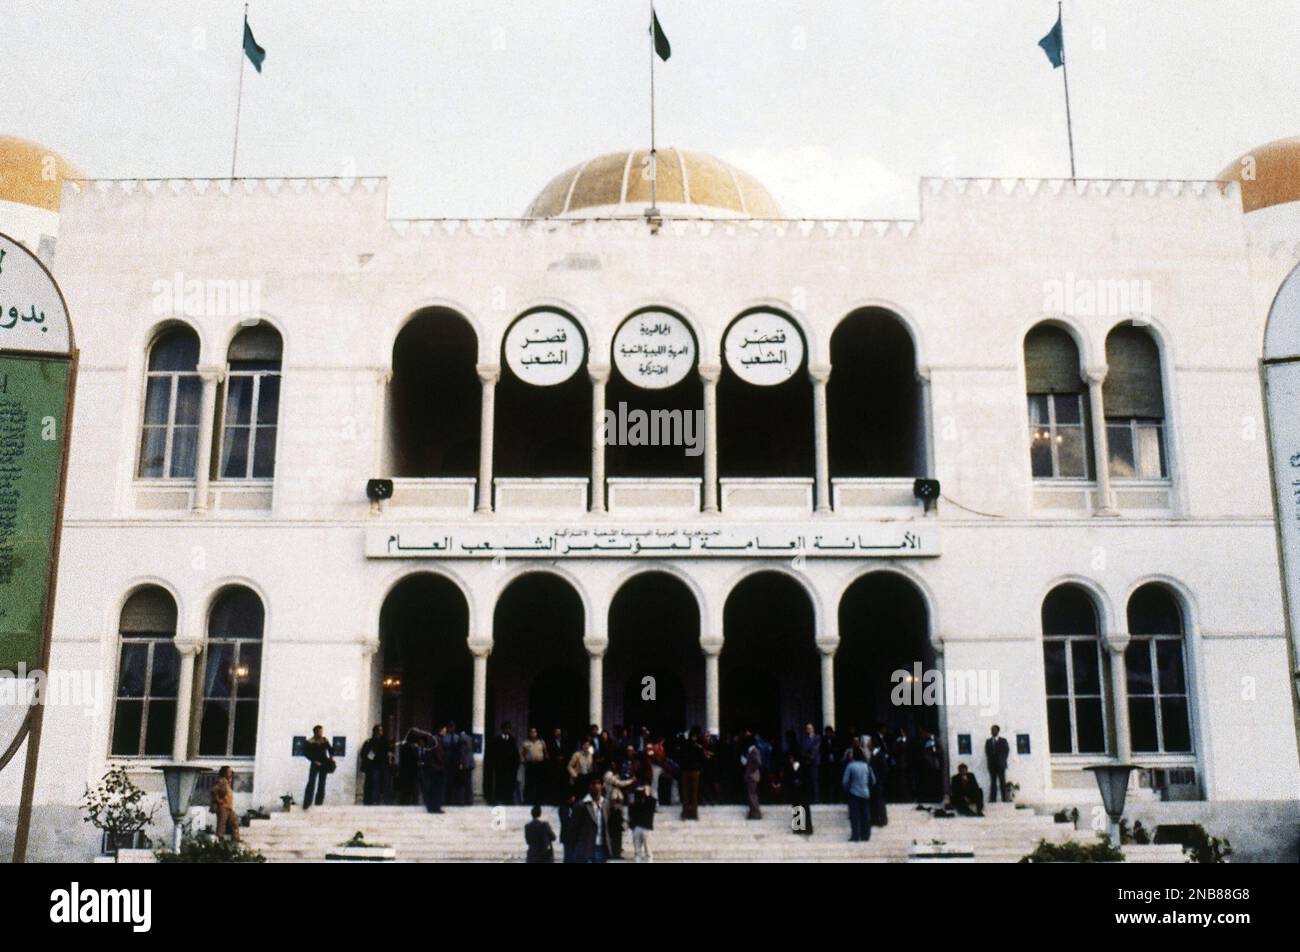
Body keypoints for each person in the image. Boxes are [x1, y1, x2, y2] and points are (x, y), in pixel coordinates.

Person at [572, 777, 612, 864]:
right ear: (590, 788)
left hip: (601, 847)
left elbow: (607, 825)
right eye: (593, 785)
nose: (596, 789)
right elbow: (574, 828)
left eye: (598, 786)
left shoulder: (605, 804)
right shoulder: (581, 805)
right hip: (585, 848)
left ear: (601, 787)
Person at [841, 748, 873, 842]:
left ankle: (855, 836)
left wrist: (848, 790)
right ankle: (866, 835)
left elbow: (845, 781)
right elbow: (873, 780)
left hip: (854, 793)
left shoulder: (851, 766)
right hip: (865, 793)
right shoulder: (867, 766)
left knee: (855, 816)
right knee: (865, 815)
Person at [486, 721, 520, 805]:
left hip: (509, 768)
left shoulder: (512, 739)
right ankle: (498, 800)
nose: (507, 730)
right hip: (500, 767)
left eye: (508, 728)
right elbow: (493, 753)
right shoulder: (497, 739)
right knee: (499, 784)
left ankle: (508, 800)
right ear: (502, 729)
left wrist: (515, 766)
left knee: (509, 784)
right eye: (505, 728)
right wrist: (494, 764)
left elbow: (516, 754)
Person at [302, 725, 334, 810]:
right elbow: (306, 752)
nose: (321, 733)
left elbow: (330, 749)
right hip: (315, 763)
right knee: (311, 782)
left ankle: (319, 802)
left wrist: (331, 757)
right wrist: (313, 760)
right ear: (315, 732)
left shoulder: (324, 740)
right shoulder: (310, 741)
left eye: (321, 731)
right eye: (319, 731)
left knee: (322, 783)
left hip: (323, 763)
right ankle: (307, 802)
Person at [359, 725, 391, 806]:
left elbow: (388, 752)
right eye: (379, 730)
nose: (381, 732)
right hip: (373, 767)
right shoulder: (370, 741)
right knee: (373, 784)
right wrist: (372, 757)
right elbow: (365, 754)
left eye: (381, 730)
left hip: (383, 766)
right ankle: (372, 800)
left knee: (384, 784)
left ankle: (383, 800)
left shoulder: (385, 742)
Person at [627, 784, 657, 863]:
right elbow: (630, 813)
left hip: (645, 828)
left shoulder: (649, 802)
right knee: (638, 852)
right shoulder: (635, 802)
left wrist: (647, 794)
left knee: (648, 851)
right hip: (637, 827)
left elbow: (653, 802)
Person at [419, 730, 447, 813]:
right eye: (444, 730)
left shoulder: (435, 739)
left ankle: (432, 807)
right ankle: (435, 807)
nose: (445, 732)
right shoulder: (437, 740)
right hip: (437, 768)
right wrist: (443, 761)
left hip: (434, 768)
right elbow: (439, 755)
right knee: (437, 789)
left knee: (434, 789)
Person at [678, 727, 703, 820]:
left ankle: (692, 813)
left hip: (691, 771)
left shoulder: (693, 746)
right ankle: (688, 813)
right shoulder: (694, 746)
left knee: (691, 793)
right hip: (688, 771)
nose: (694, 737)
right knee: (689, 793)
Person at [211, 765, 241, 841]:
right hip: (223, 807)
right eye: (229, 772)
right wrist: (218, 800)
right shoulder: (222, 781)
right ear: (224, 773)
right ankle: (219, 841)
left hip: (229, 807)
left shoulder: (227, 782)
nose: (231, 774)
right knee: (221, 825)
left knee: (235, 821)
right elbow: (214, 790)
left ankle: (235, 839)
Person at [787, 749, 813, 834]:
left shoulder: (804, 765)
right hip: (794, 791)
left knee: (805, 808)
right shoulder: (790, 767)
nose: (790, 760)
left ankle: (808, 828)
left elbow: (808, 778)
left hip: (804, 790)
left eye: (791, 758)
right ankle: (797, 828)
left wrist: (800, 782)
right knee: (796, 808)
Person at [866, 736, 889, 827]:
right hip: (873, 782)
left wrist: (879, 780)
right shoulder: (873, 754)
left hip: (878, 782)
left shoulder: (879, 754)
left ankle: (883, 819)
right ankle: (874, 819)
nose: (867, 745)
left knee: (879, 800)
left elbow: (884, 768)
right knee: (874, 801)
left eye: (869, 743)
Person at [521, 727, 548, 806]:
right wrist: (524, 761)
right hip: (530, 765)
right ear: (529, 734)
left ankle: (539, 801)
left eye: (535, 732)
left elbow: (546, 753)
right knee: (529, 783)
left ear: (537, 733)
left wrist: (545, 761)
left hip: (539, 765)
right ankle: (528, 801)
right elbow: (522, 754)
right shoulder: (526, 743)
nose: (533, 734)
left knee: (539, 783)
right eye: (531, 732)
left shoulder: (542, 742)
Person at [985, 724, 1010, 803]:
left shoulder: (1003, 740)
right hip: (992, 765)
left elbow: (1006, 751)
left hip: (1001, 765)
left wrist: (1002, 760)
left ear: (998, 731)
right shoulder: (988, 741)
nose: (993, 731)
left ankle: (1004, 798)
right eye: (991, 730)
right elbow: (987, 752)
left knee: (1002, 781)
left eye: (994, 730)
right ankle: (993, 799)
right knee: (993, 782)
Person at [397, 728, 422, 805]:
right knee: (411, 791)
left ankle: (406, 803)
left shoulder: (405, 748)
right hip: (411, 772)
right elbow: (415, 759)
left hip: (407, 772)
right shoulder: (411, 748)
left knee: (407, 791)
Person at [800, 722, 822, 803]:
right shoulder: (804, 739)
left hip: (814, 763)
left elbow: (815, 749)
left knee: (815, 780)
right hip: (806, 762)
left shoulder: (817, 738)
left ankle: (816, 798)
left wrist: (810, 757)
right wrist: (807, 757)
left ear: (813, 729)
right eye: (807, 728)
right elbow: (803, 749)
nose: (808, 730)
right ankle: (809, 798)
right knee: (808, 781)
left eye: (810, 728)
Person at [743, 735, 763, 820]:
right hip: (751, 775)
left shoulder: (754, 751)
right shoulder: (751, 751)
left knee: (752, 795)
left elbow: (758, 762)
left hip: (752, 776)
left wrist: (751, 770)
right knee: (751, 794)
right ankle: (753, 812)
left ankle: (756, 813)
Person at [558, 793, 579, 863]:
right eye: (571, 798)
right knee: (567, 855)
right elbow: (563, 820)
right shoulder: (563, 808)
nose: (573, 799)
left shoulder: (577, 807)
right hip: (566, 834)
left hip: (575, 835)